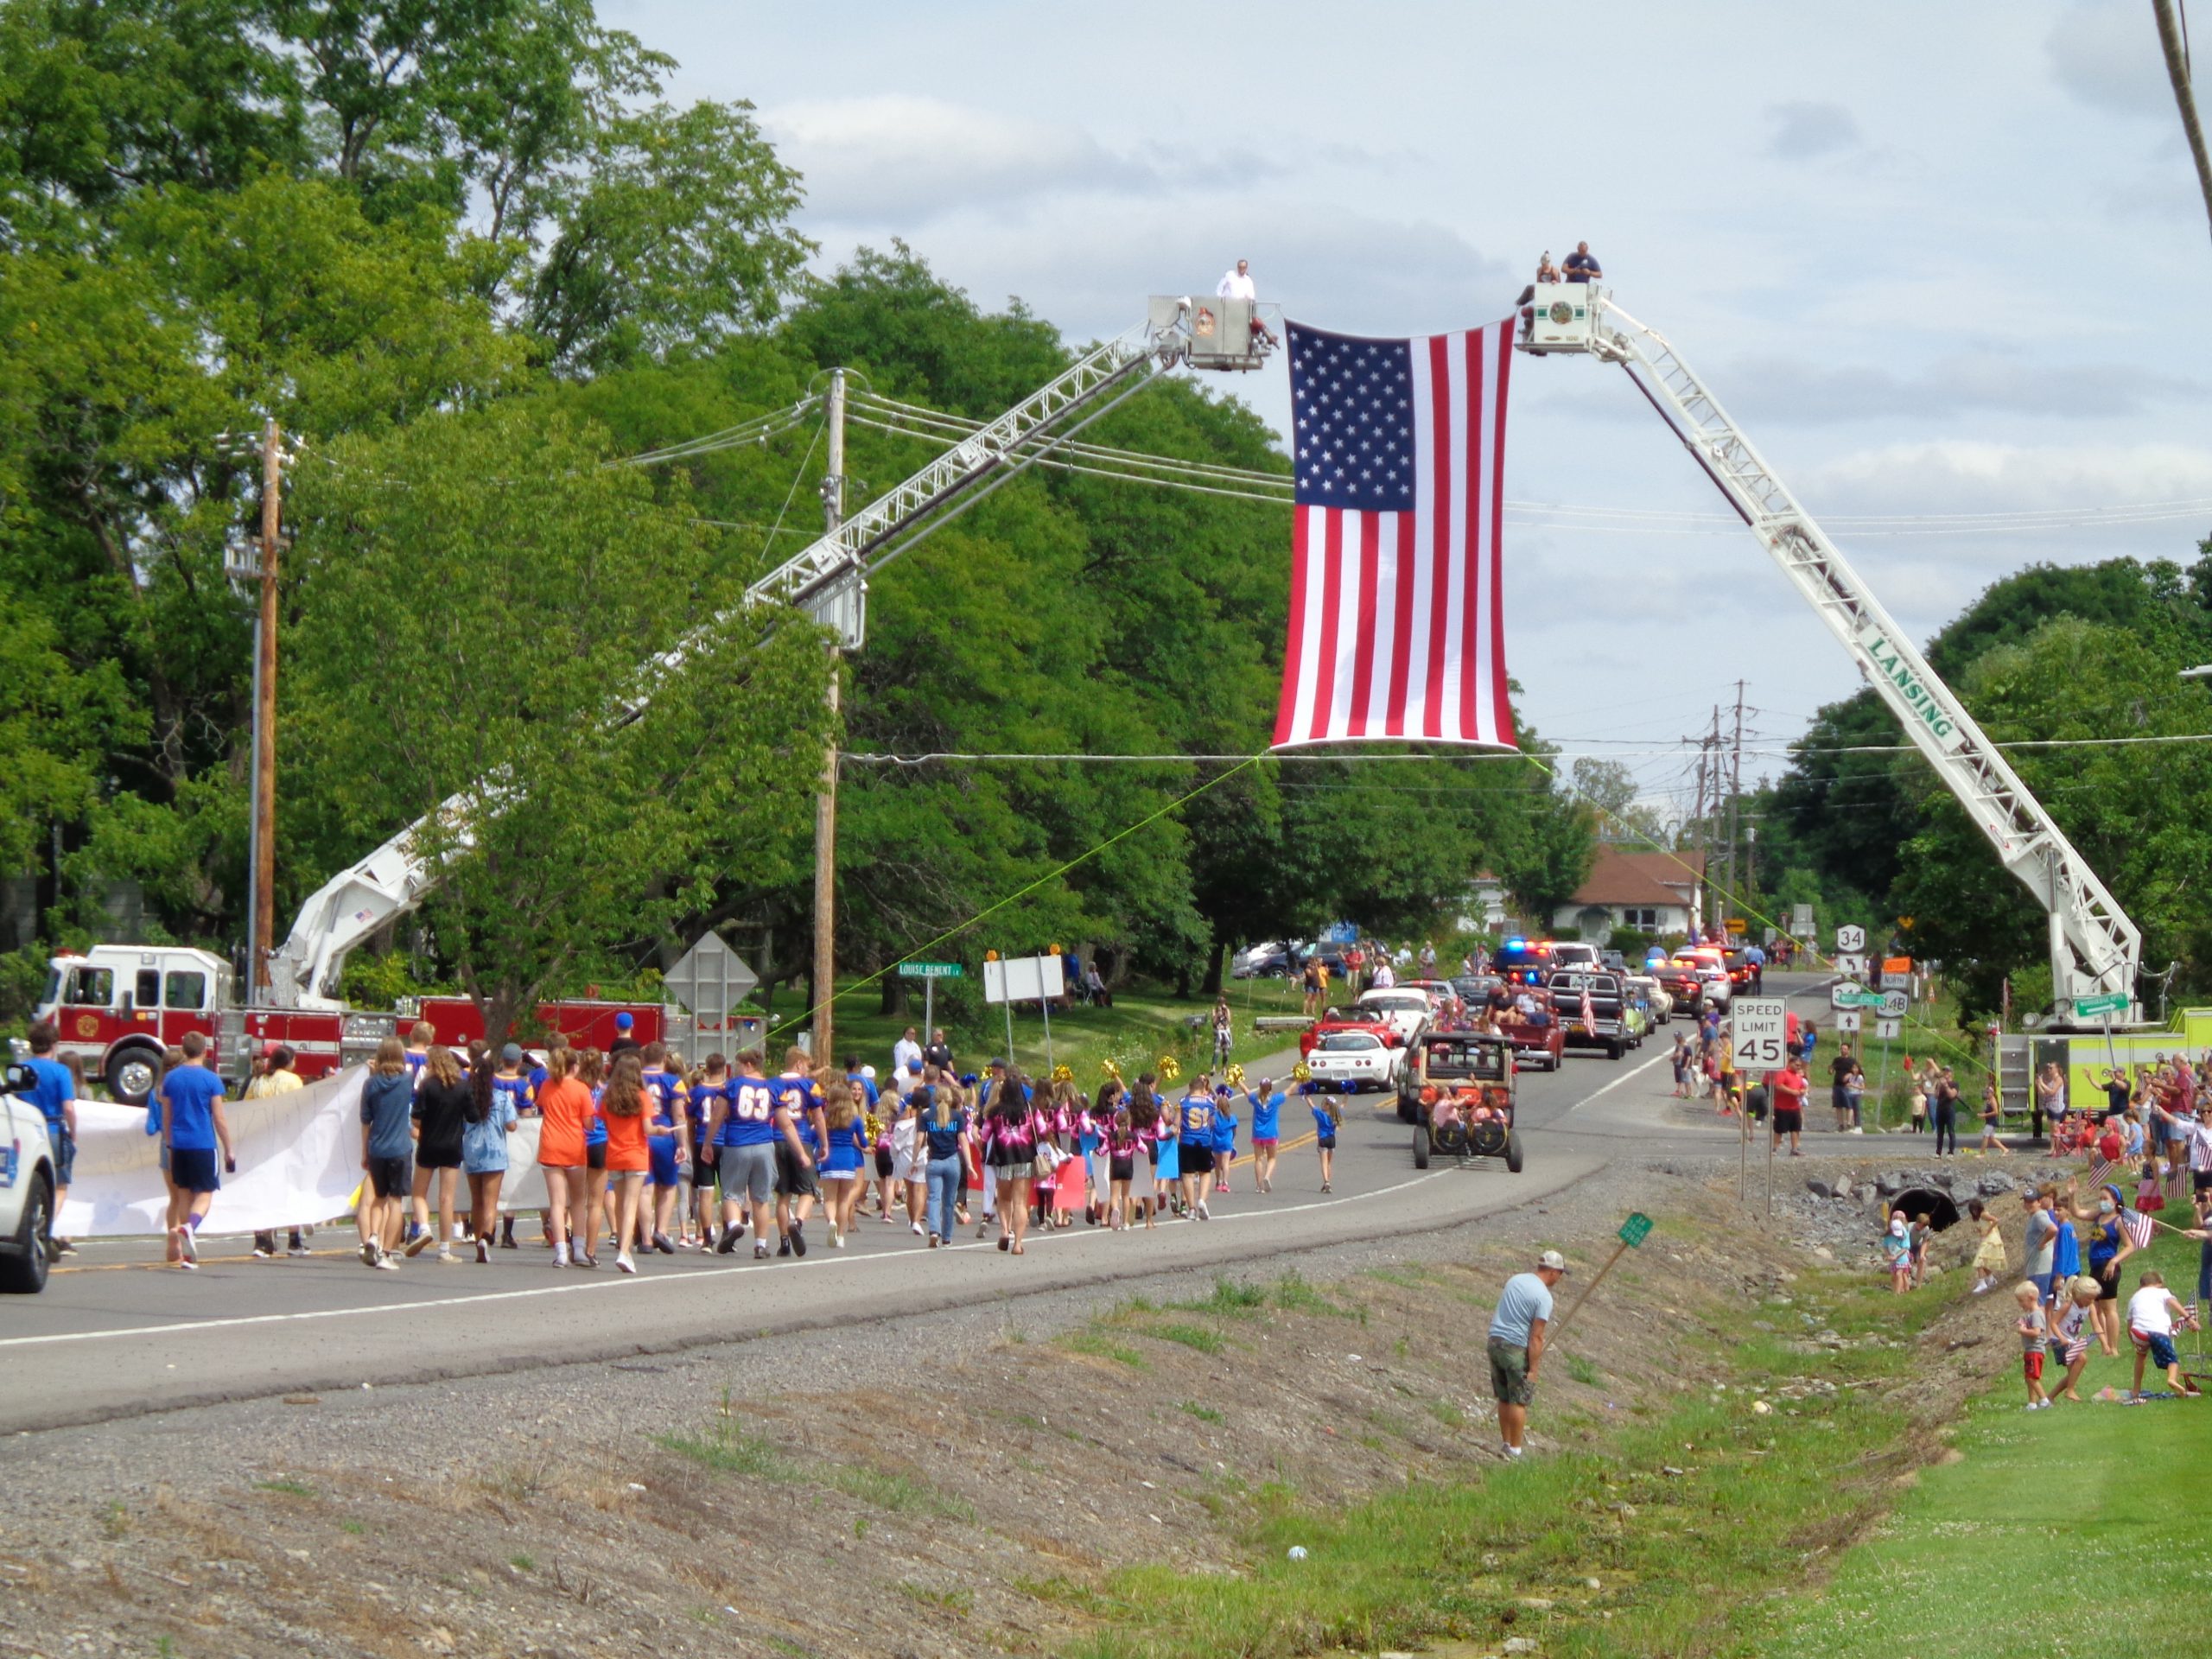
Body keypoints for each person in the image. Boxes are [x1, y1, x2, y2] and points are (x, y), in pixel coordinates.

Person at [707, 1049, 795, 1262]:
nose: (735, 1069)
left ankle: (735, 1225)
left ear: (747, 1065)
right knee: (761, 1198)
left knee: (731, 1192)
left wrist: (708, 1142)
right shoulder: (773, 1087)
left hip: (737, 1143)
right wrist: (801, 1151)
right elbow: (785, 1122)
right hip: (764, 1144)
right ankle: (761, 1245)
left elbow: (717, 1115)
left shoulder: (732, 1085)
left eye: (737, 1064)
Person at [1490, 1249, 1568, 1458]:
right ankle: (1515, 1450)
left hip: (1495, 1341)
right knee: (1519, 1400)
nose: (1559, 1279)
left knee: (1504, 1397)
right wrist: (1534, 1369)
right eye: (1560, 1274)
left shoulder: (1516, 1280)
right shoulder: (1543, 1296)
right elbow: (1537, 1337)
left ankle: (1506, 1444)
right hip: (1515, 1347)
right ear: (1553, 1272)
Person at [10, 1020, 78, 1258]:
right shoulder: (61, 1071)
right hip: (53, 1127)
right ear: (54, 1044)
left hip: (27, 1127)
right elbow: (68, 1107)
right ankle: (45, 1229)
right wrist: (74, 1132)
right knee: (59, 1185)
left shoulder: (21, 1068)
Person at [357, 1037, 416, 1271]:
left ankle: (373, 1236)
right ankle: (387, 1251)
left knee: (378, 1199)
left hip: (377, 1148)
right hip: (400, 1147)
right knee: (396, 1202)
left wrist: (365, 1151)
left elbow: (365, 1121)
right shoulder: (406, 1081)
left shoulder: (370, 1085)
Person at [534, 1046, 593, 1268]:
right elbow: (588, 1122)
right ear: (574, 1067)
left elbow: (541, 1107)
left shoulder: (547, 1086)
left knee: (557, 1202)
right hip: (574, 1146)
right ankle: (578, 1248)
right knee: (578, 1200)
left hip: (550, 1145)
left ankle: (560, 1251)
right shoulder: (581, 1089)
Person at [410, 1045, 471, 1261]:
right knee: (447, 1198)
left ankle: (424, 1228)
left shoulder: (426, 1086)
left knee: (418, 1193)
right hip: (453, 1144)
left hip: (428, 1142)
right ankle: (445, 1249)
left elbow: (416, 1117)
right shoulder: (463, 1086)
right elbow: (472, 1115)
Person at [461, 1050, 518, 1264]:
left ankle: (478, 1243)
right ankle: (486, 1236)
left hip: (472, 1151)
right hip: (495, 1151)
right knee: (490, 1202)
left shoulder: (467, 1097)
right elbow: (512, 1126)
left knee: (476, 1201)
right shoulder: (501, 1097)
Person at [598, 1052, 652, 1274]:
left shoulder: (608, 1098)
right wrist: (661, 1130)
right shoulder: (641, 1097)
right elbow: (648, 1129)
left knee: (620, 1204)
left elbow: (601, 1120)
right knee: (631, 1204)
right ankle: (625, 1251)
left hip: (614, 1154)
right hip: (636, 1154)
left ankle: (621, 1241)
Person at [2068, 1182, 2136, 1356]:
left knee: (2109, 1308)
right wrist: (2072, 1195)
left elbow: (2130, 1246)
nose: (2102, 1202)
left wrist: (2114, 1261)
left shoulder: (2119, 1221)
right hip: (2095, 1266)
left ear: (2115, 1200)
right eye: (2100, 1199)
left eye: (2105, 1199)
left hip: (2108, 1266)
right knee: (2096, 1309)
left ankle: (2114, 1347)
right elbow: (2077, 1212)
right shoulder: (2098, 1216)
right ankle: (2105, 1345)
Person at [982, 1068, 1042, 1255]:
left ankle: (1005, 1231)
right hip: (1024, 1159)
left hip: (1003, 1159)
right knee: (1020, 1203)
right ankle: (1017, 1244)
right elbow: (1042, 1129)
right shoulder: (1031, 1110)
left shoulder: (995, 1112)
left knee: (1004, 1198)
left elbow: (984, 1136)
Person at [769, 1048, 823, 1257]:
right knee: (808, 1189)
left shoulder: (772, 1083)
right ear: (799, 1064)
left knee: (783, 1194)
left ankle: (784, 1242)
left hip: (777, 1139)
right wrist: (825, 1144)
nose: (807, 1071)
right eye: (807, 1066)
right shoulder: (809, 1086)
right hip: (801, 1138)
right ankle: (798, 1224)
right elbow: (818, 1118)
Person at [639, 1043, 689, 1255]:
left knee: (644, 1189)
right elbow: (679, 1114)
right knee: (668, 1187)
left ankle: (644, 1236)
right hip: (665, 1134)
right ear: (663, 1059)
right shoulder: (674, 1082)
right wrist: (682, 1144)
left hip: (641, 1135)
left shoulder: (635, 1079)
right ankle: (661, 1229)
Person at [2125, 1271, 2201, 1399]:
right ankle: (2172, 1380)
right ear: (2159, 1283)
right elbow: (2174, 1305)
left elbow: (2130, 1322)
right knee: (2172, 1361)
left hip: (2138, 1332)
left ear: (2141, 1285)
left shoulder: (2134, 1298)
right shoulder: (2163, 1292)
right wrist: (2189, 1319)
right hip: (2158, 1331)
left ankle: (2136, 1390)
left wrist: (2133, 1339)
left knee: (2141, 1356)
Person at [918, 1083, 967, 1248]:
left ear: (935, 1098)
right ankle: (946, 1237)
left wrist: (913, 1161)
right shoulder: (957, 1116)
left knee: (933, 1198)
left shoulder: (926, 1116)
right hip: (952, 1161)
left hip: (934, 1162)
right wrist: (970, 1164)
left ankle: (934, 1231)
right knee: (949, 1201)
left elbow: (919, 1140)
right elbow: (963, 1140)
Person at [2048, 1277, 2101, 1402]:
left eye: (2094, 1298)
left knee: (2072, 1375)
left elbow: (2097, 1326)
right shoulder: (2068, 1305)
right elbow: (2053, 1323)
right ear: (2079, 1294)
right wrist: (2062, 1338)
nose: (2092, 1301)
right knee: (2082, 1358)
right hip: (2059, 1340)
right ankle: (2070, 1391)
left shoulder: (2089, 1306)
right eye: (2089, 1298)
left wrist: (2105, 1345)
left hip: (2072, 1340)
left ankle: (2050, 1397)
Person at [1176, 1077, 1216, 1221]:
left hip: (1187, 1140)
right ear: (1202, 1088)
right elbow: (1213, 1122)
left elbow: (1176, 1122)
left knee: (1187, 1175)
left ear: (1190, 1088)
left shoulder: (1183, 1102)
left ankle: (1191, 1208)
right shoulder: (1210, 1102)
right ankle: (1202, 1200)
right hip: (1204, 1140)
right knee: (1205, 1173)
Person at [2013, 1282, 2050, 1409]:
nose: (2020, 1304)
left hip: (2035, 1350)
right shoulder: (2031, 1314)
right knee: (2029, 1377)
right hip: (2030, 1350)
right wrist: (2023, 1324)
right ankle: (2032, 1403)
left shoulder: (2037, 1314)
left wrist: (2022, 1331)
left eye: (2021, 1301)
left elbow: (2036, 1332)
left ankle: (2044, 1400)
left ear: (2031, 1298)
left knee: (2032, 1377)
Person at [1247, 1077, 1284, 1194]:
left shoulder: (1255, 1099)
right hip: (1271, 1134)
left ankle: (1259, 1185)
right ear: (1270, 1088)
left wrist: (1238, 1081)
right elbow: (1289, 1091)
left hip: (1258, 1133)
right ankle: (1267, 1177)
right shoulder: (1275, 1100)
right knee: (1272, 1158)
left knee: (1258, 1159)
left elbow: (1245, 1090)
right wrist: (1299, 1081)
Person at [1967, 1197, 2007, 1293]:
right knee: (1982, 1261)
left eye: (1974, 1209)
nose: (1974, 1212)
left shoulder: (1984, 1214)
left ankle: (1982, 1283)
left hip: (1991, 1238)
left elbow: (1996, 1220)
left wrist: (1988, 1231)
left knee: (1979, 1260)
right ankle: (1991, 1279)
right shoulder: (1981, 1217)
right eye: (1972, 1210)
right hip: (1987, 1238)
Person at [1770, 1055, 1808, 1157]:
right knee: (1779, 1129)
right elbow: (1778, 1086)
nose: (1798, 1067)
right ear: (1790, 1063)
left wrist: (1802, 1091)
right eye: (1796, 1065)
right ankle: (1774, 1149)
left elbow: (1803, 1087)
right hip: (1782, 1107)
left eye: (1800, 1066)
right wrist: (1792, 1092)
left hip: (1795, 1106)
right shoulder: (1783, 1073)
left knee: (1796, 1128)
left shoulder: (1798, 1076)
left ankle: (1794, 1149)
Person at [1929, 1065, 1960, 1157]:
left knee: (1951, 1131)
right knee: (1940, 1132)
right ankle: (1938, 1152)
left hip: (1949, 1109)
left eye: (1948, 1071)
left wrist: (1946, 1085)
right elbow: (1936, 1096)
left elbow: (1952, 1095)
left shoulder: (1955, 1084)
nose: (1946, 1073)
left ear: (1951, 1073)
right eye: (1944, 1071)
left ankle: (1951, 1152)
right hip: (1940, 1109)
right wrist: (1939, 1086)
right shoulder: (1940, 1084)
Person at [1885, 1212, 1913, 1294]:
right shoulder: (1888, 1236)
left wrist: (1896, 1256)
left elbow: (1905, 1247)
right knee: (1893, 1276)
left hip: (1902, 1258)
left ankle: (1897, 1294)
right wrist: (1888, 1255)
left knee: (1899, 1274)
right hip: (1893, 1260)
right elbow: (1885, 1246)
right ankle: (1896, 1290)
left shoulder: (1904, 1233)